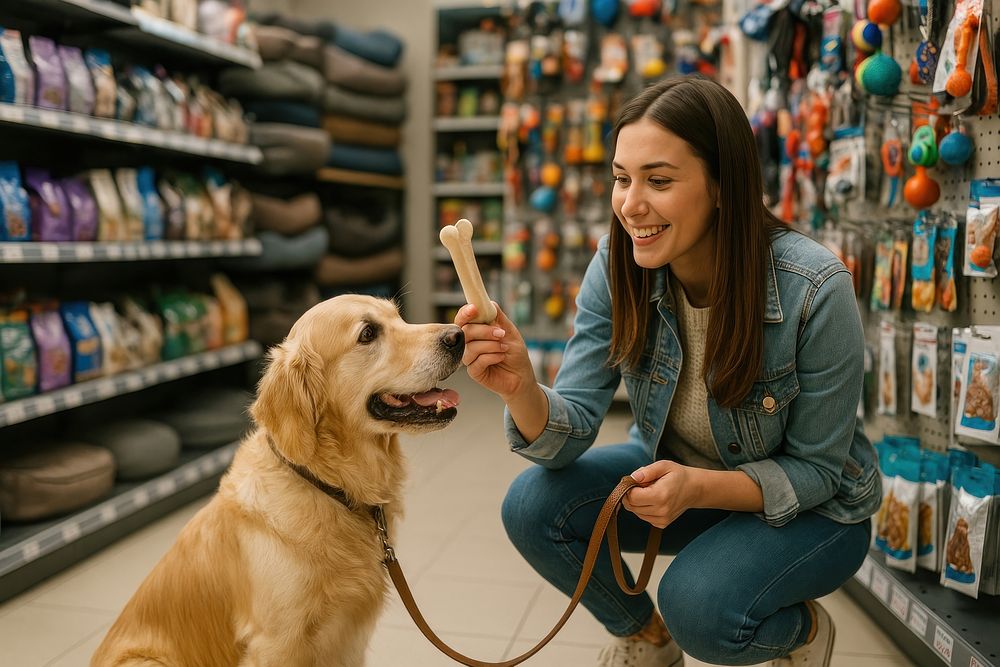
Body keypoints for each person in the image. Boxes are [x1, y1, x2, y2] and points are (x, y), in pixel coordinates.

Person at [455, 76, 881, 667]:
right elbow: (568, 432)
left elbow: (815, 473)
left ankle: (800, 631)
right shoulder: (617, 266)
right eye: (622, 178)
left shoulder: (814, 287)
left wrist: (698, 488)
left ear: (722, 187)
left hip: (814, 512)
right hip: (683, 480)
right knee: (532, 507)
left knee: (699, 607)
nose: (631, 204)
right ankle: (648, 638)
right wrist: (521, 386)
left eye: (658, 181)